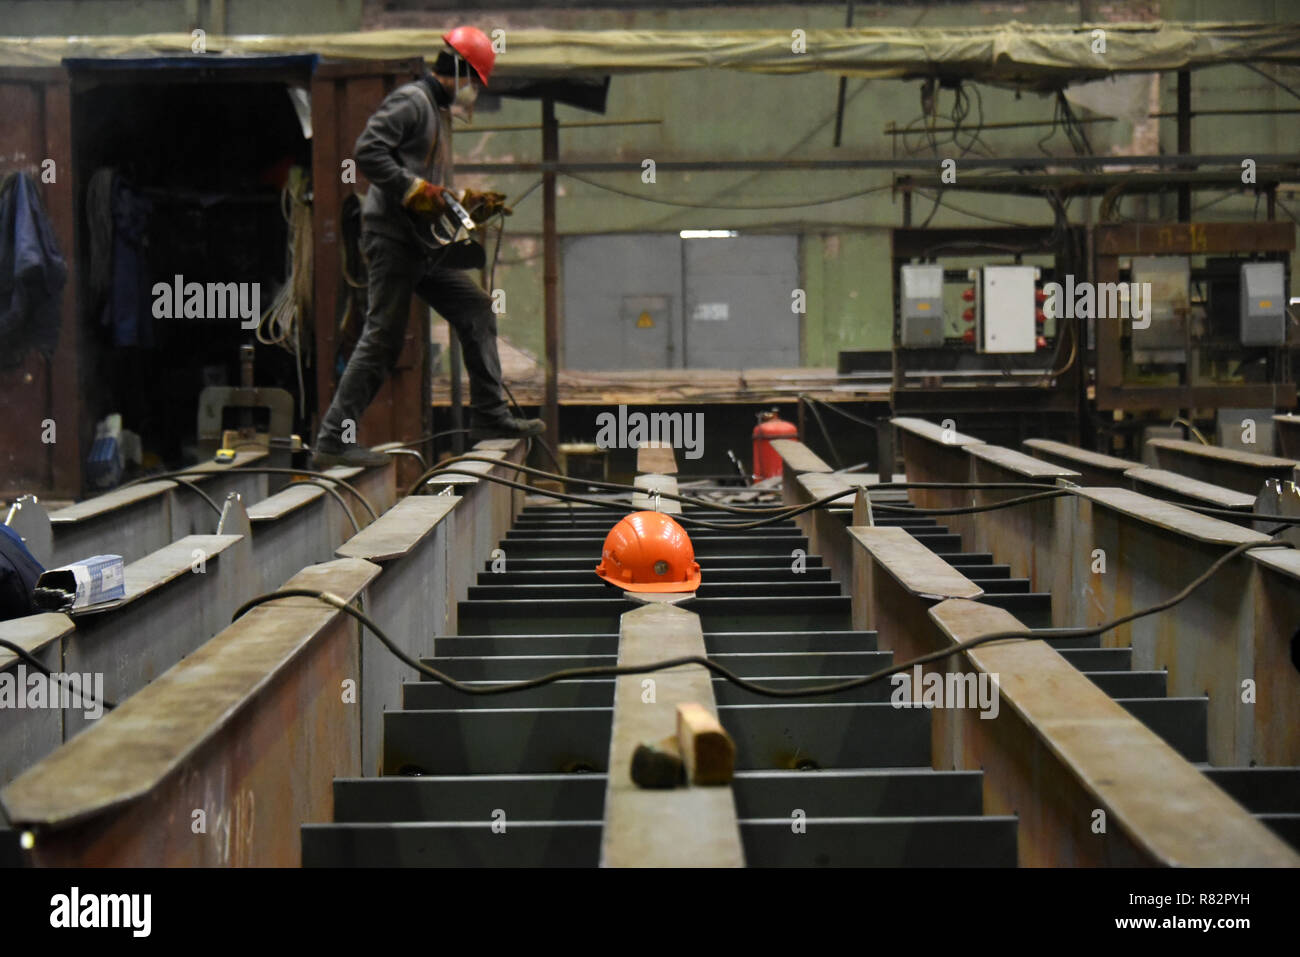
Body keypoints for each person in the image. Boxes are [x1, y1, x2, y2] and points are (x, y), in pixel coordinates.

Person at [313, 26, 543, 469]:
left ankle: (490, 416)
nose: (474, 92)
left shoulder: (437, 112)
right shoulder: (412, 102)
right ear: (458, 71)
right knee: (383, 338)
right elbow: (368, 150)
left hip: (421, 241)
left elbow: (427, 187)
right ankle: (332, 439)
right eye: (474, 81)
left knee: (475, 308)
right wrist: (412, 188)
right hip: (393, 239)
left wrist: (462, 204)